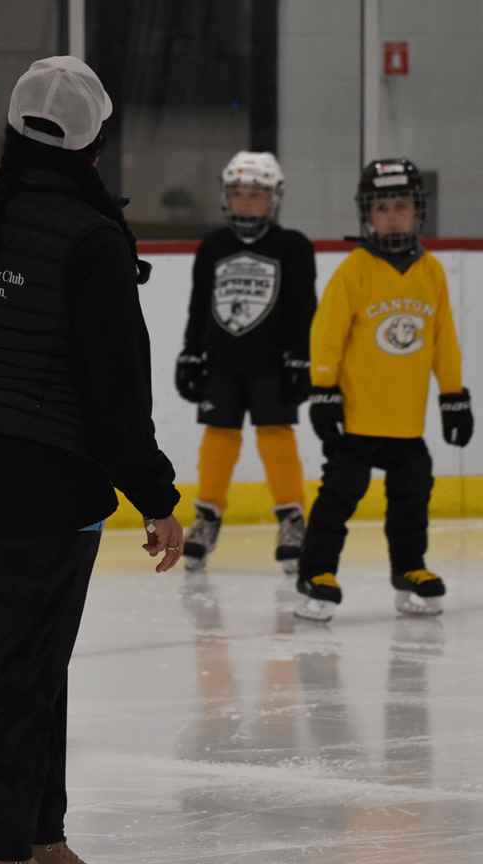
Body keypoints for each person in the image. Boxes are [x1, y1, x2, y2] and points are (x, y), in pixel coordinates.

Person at [0, 56, 183, 864]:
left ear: (10, 134)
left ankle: (43, 837)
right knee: (19, 672)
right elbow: (118, 392)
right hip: (45, 489)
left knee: (23, 660)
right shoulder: (94, 239)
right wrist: (157, 498)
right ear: (96, 146)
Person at [292, 158, 473, 622]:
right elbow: (326, 333)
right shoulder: (355, 270)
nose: (392, 215)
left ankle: (409, 568)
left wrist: (453, 397)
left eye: (402, 205)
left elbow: (443, 339)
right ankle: (317, 572)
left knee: (413, 497)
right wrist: (324, 392)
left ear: (418, 211)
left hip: (407, 424)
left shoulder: (431, 272)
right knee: (339, 496)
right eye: (382, 207)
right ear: (366, 214)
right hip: (356, 419)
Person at [174, 151, 317, 578]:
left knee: (276, 436)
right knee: (218, 436)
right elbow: (200, 306)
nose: (247, 203)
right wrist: (190, 351)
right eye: (239, 195)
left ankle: (292, 521)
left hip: (273, 364)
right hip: (222, 361)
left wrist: (302, 358)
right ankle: (207, 516)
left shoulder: (293, 247)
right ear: (225, 198)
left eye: (256, 195)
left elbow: (302, 307)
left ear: (274, 199)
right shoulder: (213, 246)